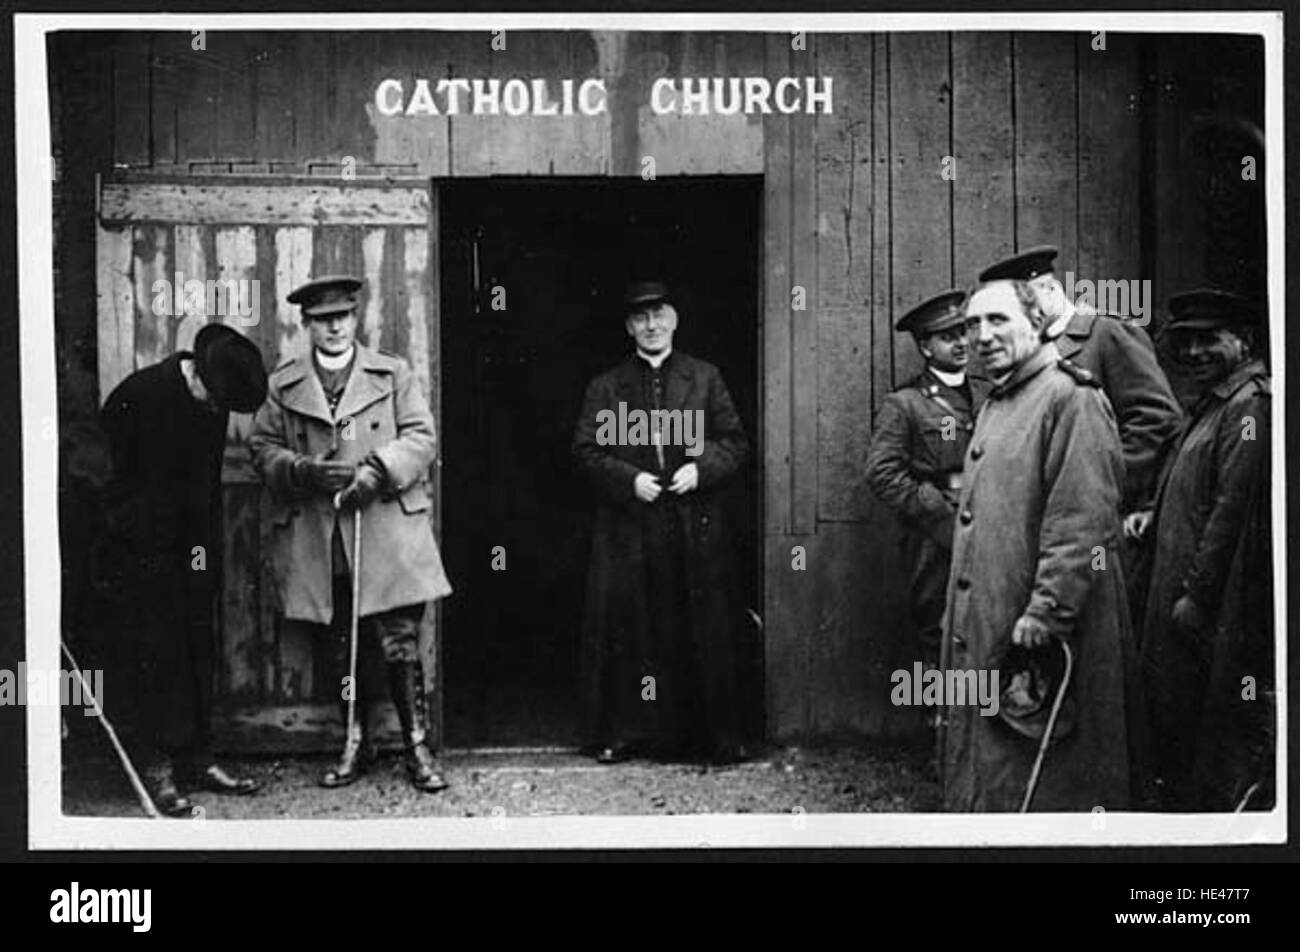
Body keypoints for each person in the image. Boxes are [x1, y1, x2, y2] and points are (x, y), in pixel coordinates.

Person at [248, 275, 452, 793]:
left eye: (342, 316)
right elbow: (261, 448)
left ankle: (417, 746)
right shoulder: (284, 383)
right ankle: (354, 743)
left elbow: (422, 436)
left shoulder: (392, 372)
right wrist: (303, 470)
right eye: (322, 319)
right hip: (323, 534)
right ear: (307, 324)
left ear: (356, 319)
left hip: (385, 527)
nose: (334, 326)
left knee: (399, 640)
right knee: (341, 647)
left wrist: (378, 470)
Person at [940, 277, 1136, 811]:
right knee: (993, 762)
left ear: (1036, 322)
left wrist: (1047, 610)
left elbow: (1083, 518)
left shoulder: (1071, 397)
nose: (981, 335)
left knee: (1045, 774)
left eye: (998, 320)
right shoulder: (999, 401)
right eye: (971, 325)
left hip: (1040, 624)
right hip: (992, 613)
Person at [572, 281, 750, 764]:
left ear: (674, 319)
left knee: (698, 626)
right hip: (630, 529)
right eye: (641, 318)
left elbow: (734, 442)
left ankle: (705, 737)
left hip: (694, 524)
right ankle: (629, 732)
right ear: (630, 326)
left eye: (659, 315)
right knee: (634, 629)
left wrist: (702, 468)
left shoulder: (704, 377)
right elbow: (586, 451)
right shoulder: (607, 386)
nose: (651, 325)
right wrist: (629, 481)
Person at [99, 323, 267, 816]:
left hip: (192, 551)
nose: (219, 415)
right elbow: (98, 475)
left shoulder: (210, 403)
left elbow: (205, 486)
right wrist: (132, 532)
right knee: (155, 654)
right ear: (197, 375)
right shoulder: (138, 396)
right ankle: (159, 766)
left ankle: (198, 757)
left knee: (197, 648)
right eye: (217, 403)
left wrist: (205, 555)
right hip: (140, 553)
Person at [1127, 288, 1273, 811]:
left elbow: (1232, 513)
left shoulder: (1250, 405)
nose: (1193, 353)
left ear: (1244, 341)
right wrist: (1153, 513)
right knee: (1171, 717)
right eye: (1185, 342)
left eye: (1208, 340)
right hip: (1177, 599)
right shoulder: (1212, 406)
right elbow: (1193, 488)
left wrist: (1197, 598)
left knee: (1205, 728)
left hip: (1205, 604)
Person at [978, 246, 1182, 510]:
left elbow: (1157, 419)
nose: (1024, 314)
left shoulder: (1107, 333)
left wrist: (1103, 484)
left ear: (1050, 289)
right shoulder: (1029, 348)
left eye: (1027, 303)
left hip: (1101, 508)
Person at [866, 289, 990, 671]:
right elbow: (881, 472)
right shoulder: (905, 403)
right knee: (938, 626)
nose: (960, 343)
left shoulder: (990, 390)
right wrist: (935, 511)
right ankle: (942, 723)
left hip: (992, 518)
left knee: (992, 621)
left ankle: (981, 728)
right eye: (947, 337)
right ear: (925, 347)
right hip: (935, 535)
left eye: (962, 332)